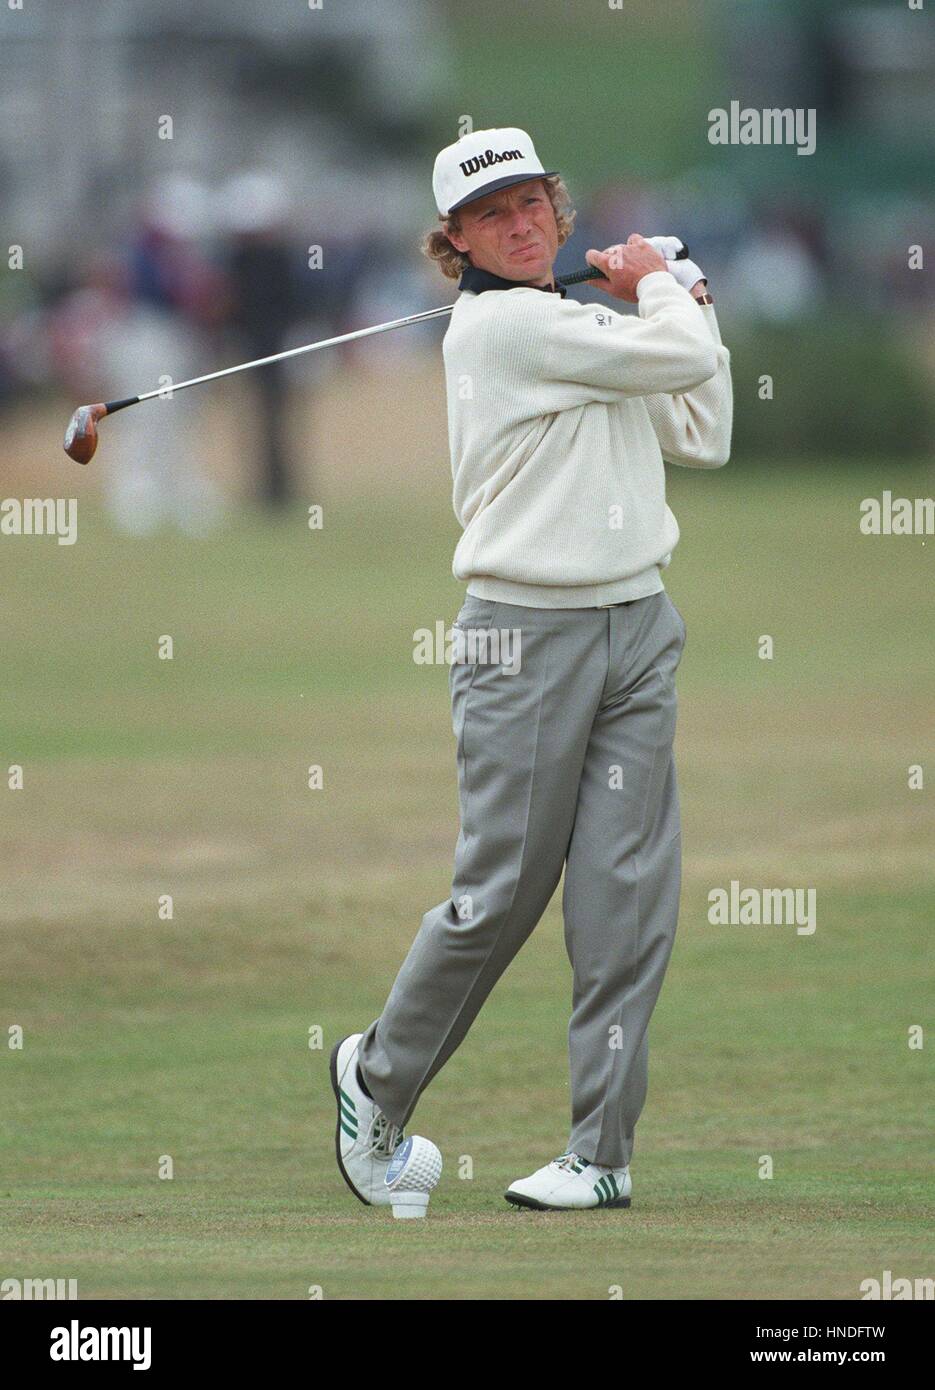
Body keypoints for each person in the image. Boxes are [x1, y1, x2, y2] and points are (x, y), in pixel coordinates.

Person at [330, 127, 732, 1211]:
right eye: (490, 215)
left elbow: (702, 427)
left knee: (624, 900)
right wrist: (661, 289)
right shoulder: (502, 331)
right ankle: (374, 1079)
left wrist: (680, 296)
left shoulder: (570, 325)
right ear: (454, 242)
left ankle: (598, 1154)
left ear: (555, 211)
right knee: (499, 895)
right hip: (523, 637)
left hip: (638, 625)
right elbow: (683, 364)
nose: (520, 225)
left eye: (533, 204)